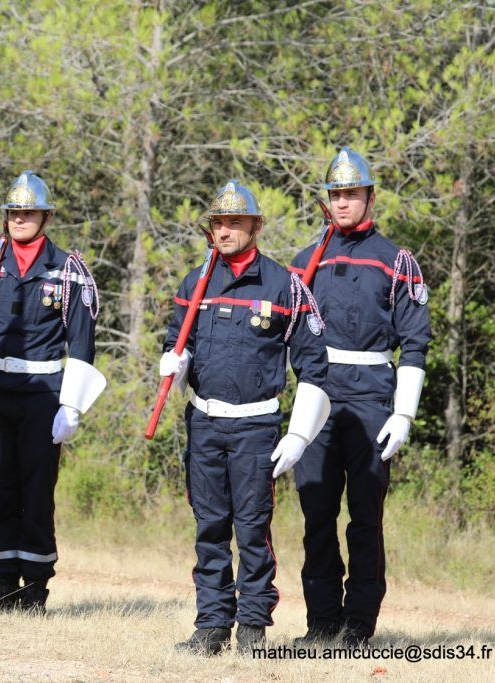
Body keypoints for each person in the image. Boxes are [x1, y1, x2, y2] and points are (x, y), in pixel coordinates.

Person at [162, 180, 330, 655]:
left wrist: (299, 434)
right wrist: (173, 368)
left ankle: (254, 626)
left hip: (257, 426)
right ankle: (212, 625)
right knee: (209, 526)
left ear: (255, 226)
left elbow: (314, 364)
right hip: (205, 422)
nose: (226, 230)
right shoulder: (194, 282)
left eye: (236, 222)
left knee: (252, 529)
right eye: (219, 223)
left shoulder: (283, 285)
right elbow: (179, 345)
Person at [290, 148, 431, 646]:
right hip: (317, 397)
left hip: (373, 398)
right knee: (316, 513)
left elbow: (415, 342)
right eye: (335, 194)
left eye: (351, 193)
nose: (343, 202)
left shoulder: (397, 261)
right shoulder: (305, 262)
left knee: (366, 517)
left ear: (369, 196)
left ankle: (357, 625)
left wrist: (405, 413)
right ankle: (321, 621)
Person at [0, 171, 104, 614]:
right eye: (14, 212)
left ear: (45, 216)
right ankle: (3, 583)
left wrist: (72, 406)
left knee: (36, 491)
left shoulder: (70, 271)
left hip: (43, 393)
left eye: (28, 212)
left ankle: (35, 588)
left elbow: (83, 343)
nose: (20, 219)